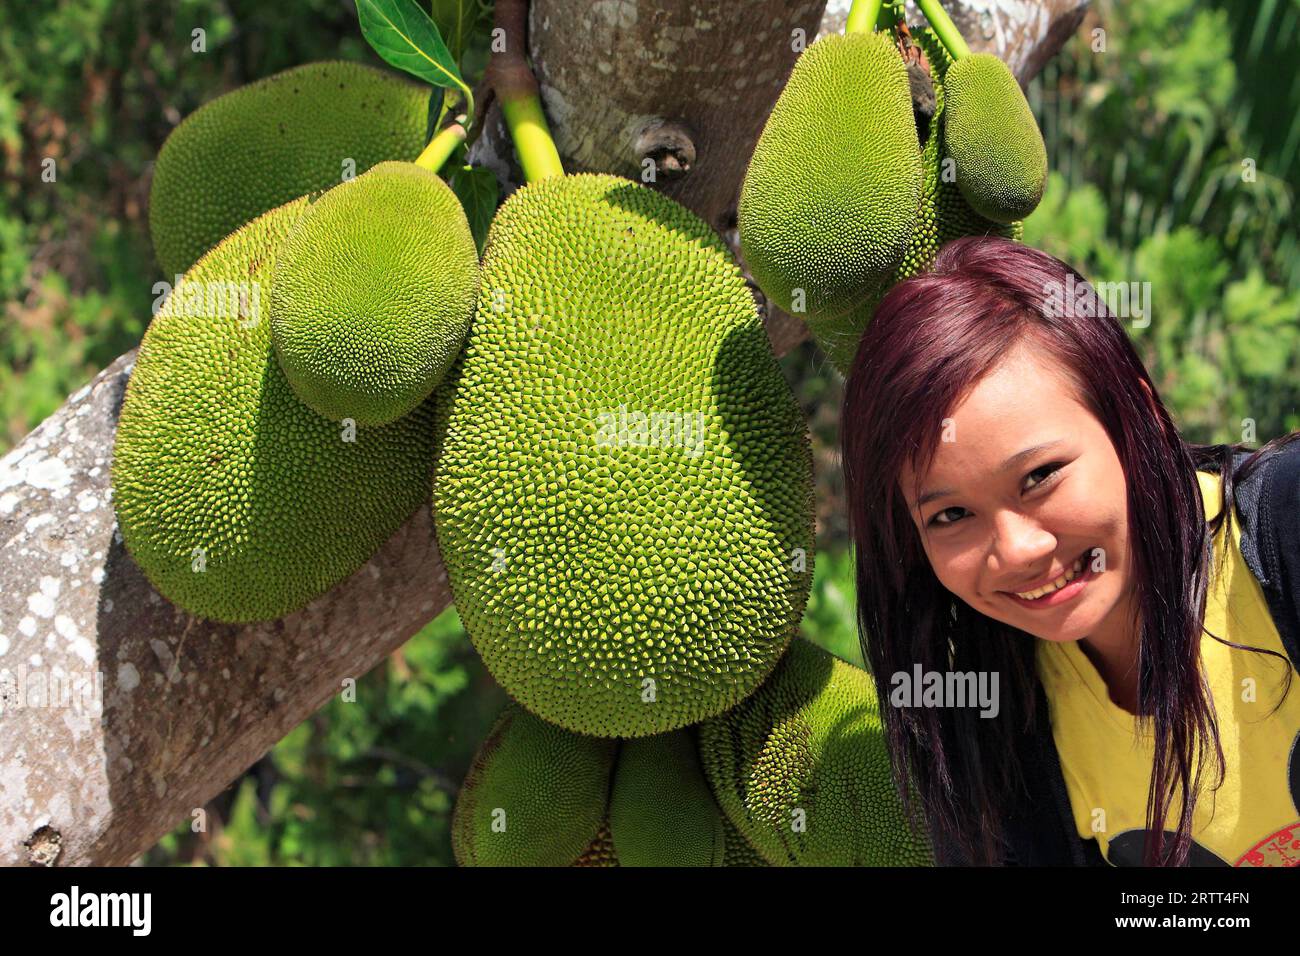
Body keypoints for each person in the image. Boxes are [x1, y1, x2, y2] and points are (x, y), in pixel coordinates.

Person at [840, 236, 1300, 866]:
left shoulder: (1286, 529)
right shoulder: (996, 743)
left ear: (1136, 412)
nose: (1018, 550)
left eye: (1040, 476)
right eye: (950, 515)